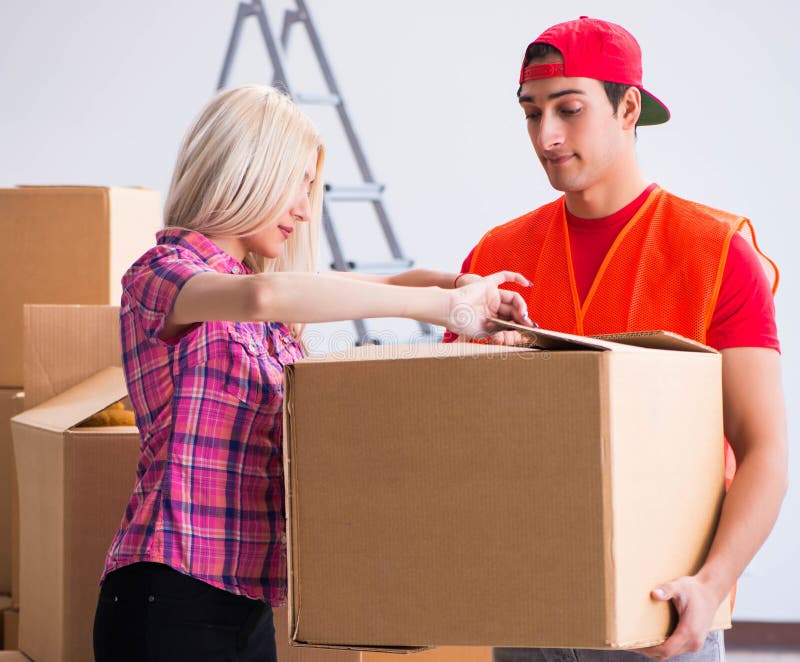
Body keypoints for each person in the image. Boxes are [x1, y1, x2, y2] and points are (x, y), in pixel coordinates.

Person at [92, 83, 532, 662]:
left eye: (309, 188)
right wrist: (441, 310)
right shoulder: (163, 275)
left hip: (243, 603)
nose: (304, 208)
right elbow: (264, 294)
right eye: (294, 182)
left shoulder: (269, 320)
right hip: (169, 596)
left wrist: (459, 288)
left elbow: (372, 285)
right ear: (244, 171)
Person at [447, 16, 788, 662]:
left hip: (662, 616)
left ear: (627, 107)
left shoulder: (716, 254)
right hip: (530, 615)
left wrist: (710, 586)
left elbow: (765, 449)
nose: (546, 136)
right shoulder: (497, 255)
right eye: (531, 113)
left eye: (569, 110)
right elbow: (461, 435)